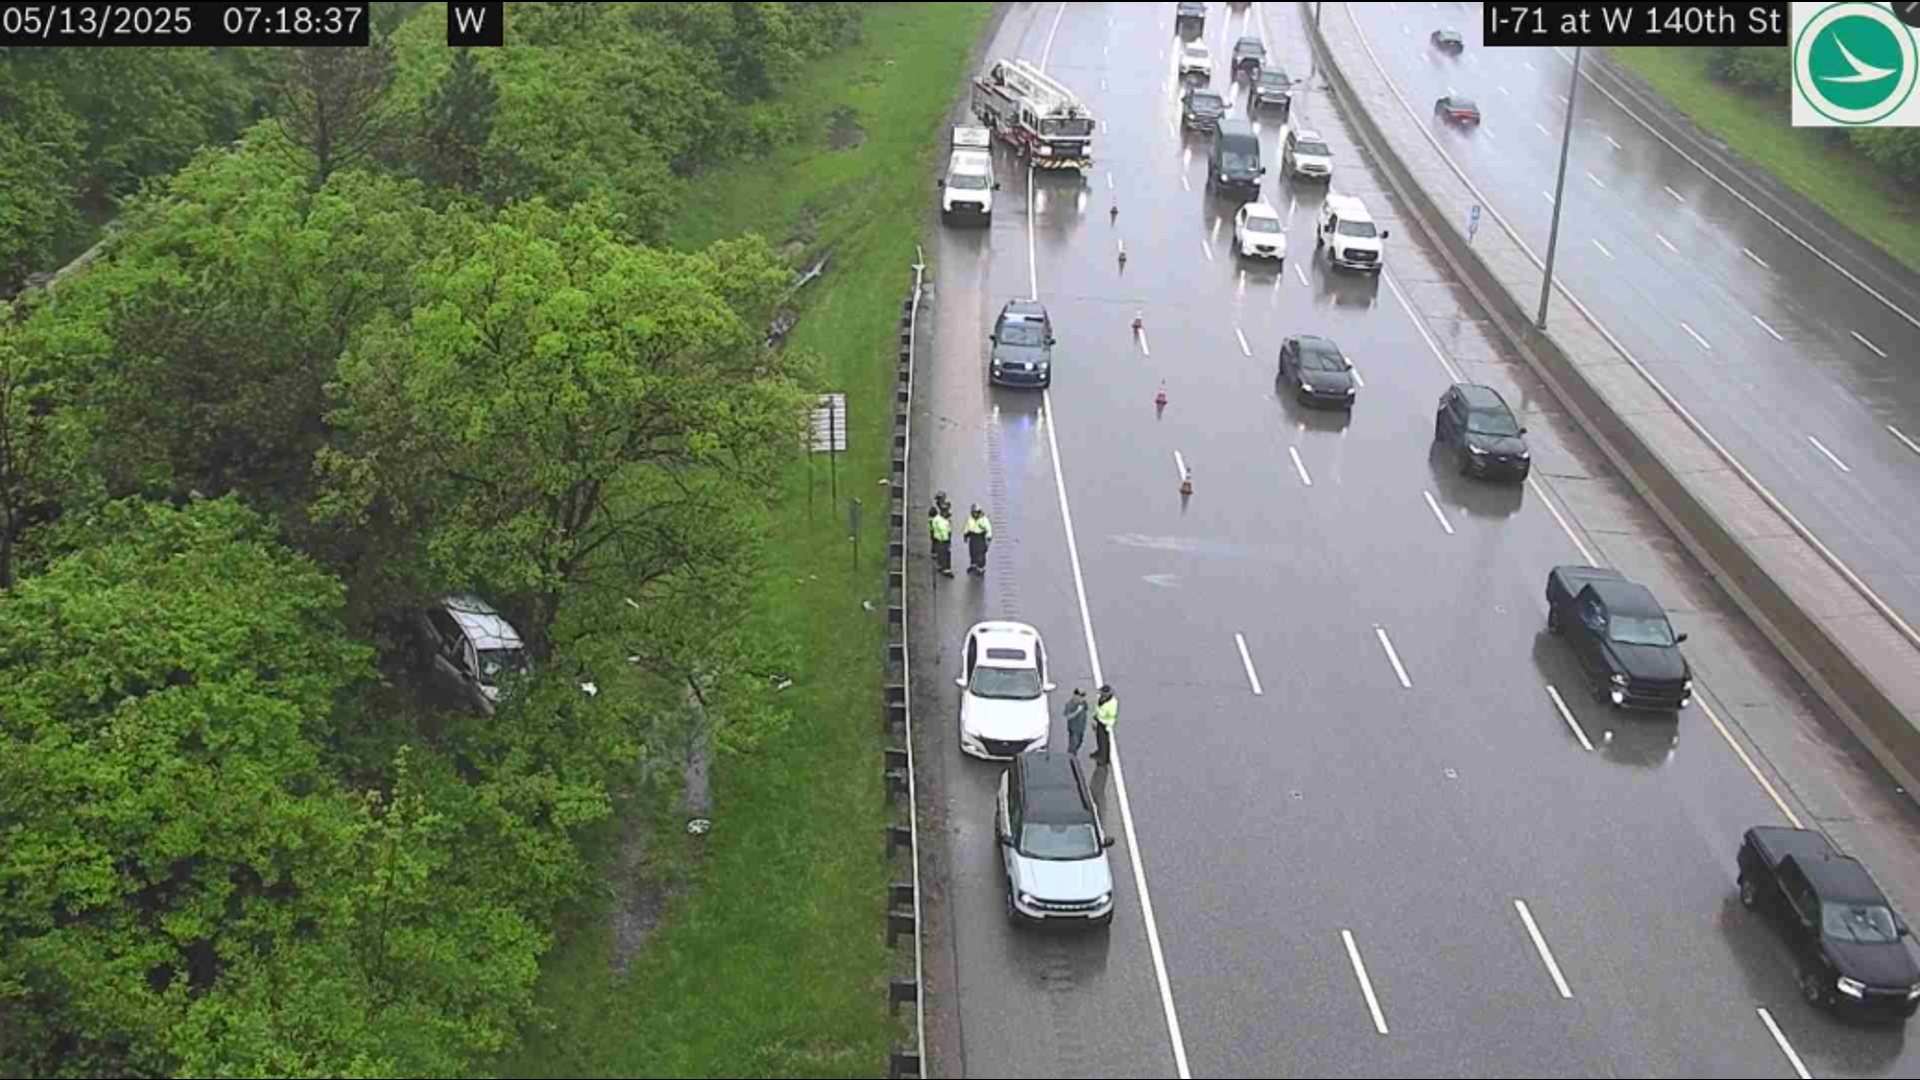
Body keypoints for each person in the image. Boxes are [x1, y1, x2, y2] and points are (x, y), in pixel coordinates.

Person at [1092, 684, 1118, 763]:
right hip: (1099, 720)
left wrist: (1100, 718)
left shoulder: (1111, 703)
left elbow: (1109, 715)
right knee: (1099, 739)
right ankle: (1100, 752)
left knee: (1104, 741)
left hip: (1105, 724)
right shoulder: (1101, 699)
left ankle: (1104, 758)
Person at [963, 505, 992, 575]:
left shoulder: (983, 519)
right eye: (973, 512)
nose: (975, 514)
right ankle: (973, 565)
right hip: (972, 536)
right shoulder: (970, 518)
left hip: (980, 537)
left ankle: (981, 568)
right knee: (972, 551)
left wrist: (988, 539)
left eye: (976, 513)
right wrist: (965, 534)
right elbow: (967, 526)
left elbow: (988, 529)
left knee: (980, 553)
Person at [928, 503, 953, 577]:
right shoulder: (940, 521)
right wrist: (947, 540)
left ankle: (941, 566)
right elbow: (943, 530)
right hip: (943, 540)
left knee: (941, 553)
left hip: (939, 539)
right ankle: (946, 569)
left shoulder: (938, 519)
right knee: (945, 554)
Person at [1063, 687, 1090, 754]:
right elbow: (1067, 716)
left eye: (1083, 697)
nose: (1082, 699)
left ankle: (1073, 754)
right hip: (1074, 729)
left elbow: (1086, 709)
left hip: (1081, 728)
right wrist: (1077, 711)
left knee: (1079, 742)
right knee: (1073, 745)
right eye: (1080, 697)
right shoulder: (1069, 704)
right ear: (1075, 695)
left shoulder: (1083, 703)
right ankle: (1071, 757)